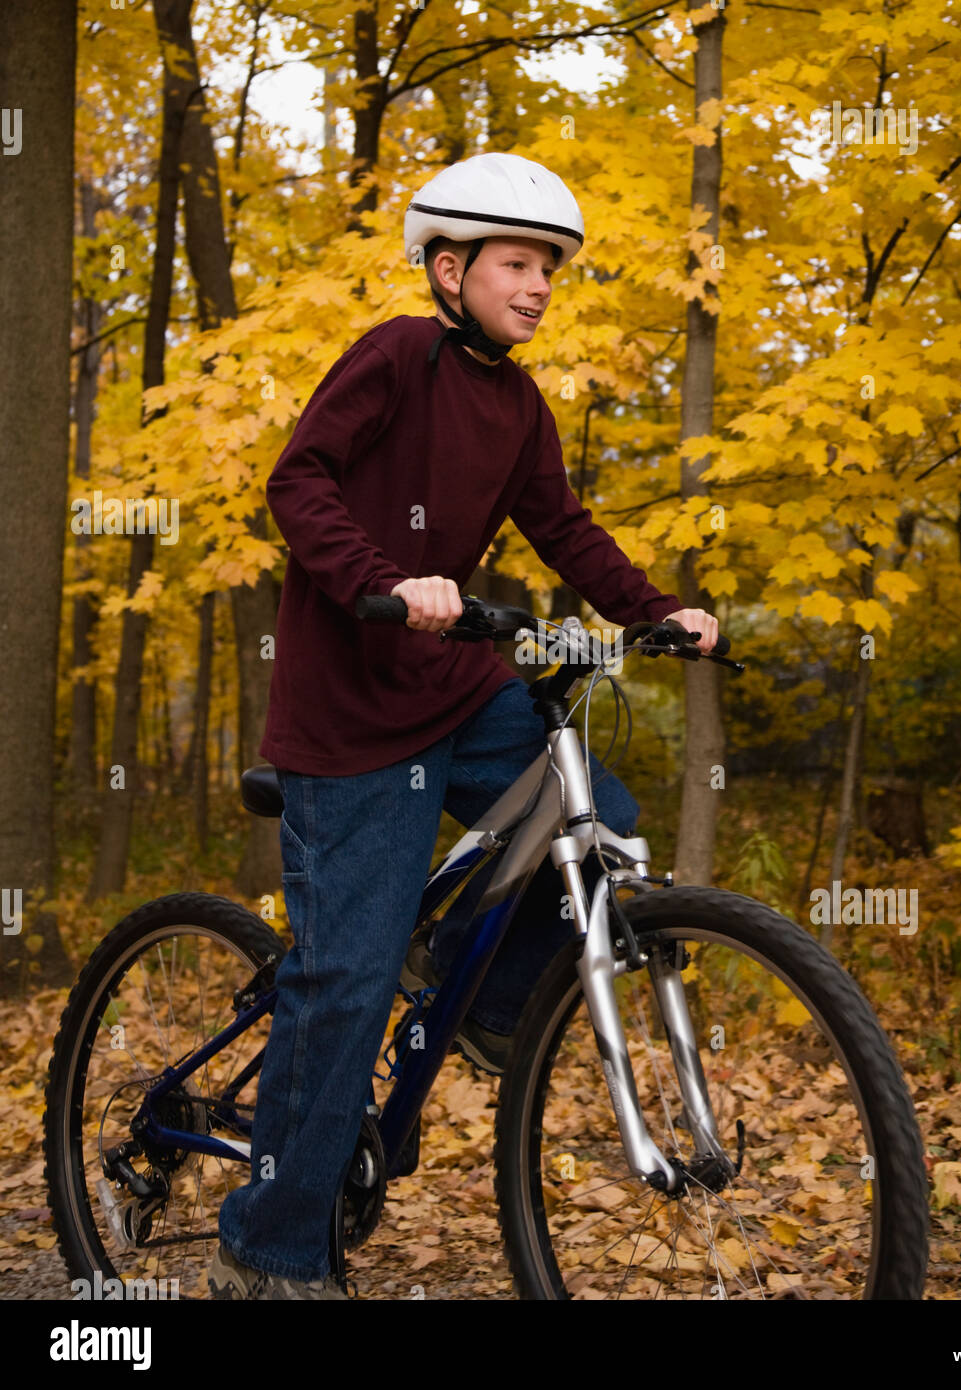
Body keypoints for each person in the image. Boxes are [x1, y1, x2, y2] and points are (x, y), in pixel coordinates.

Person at [209, 152, 719, 1299]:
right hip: (351, 716)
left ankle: (486, 1006)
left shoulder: (520, 403)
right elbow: (301, 483)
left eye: (549, 269)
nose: (538, 286)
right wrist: (385, 580)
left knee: (604, 828)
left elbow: (565, 529)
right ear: (449, 269)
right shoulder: (396, 353)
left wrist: (656, 610)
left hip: (459, 687)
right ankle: (272, 1244)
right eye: (517, 263)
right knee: (343, 981)